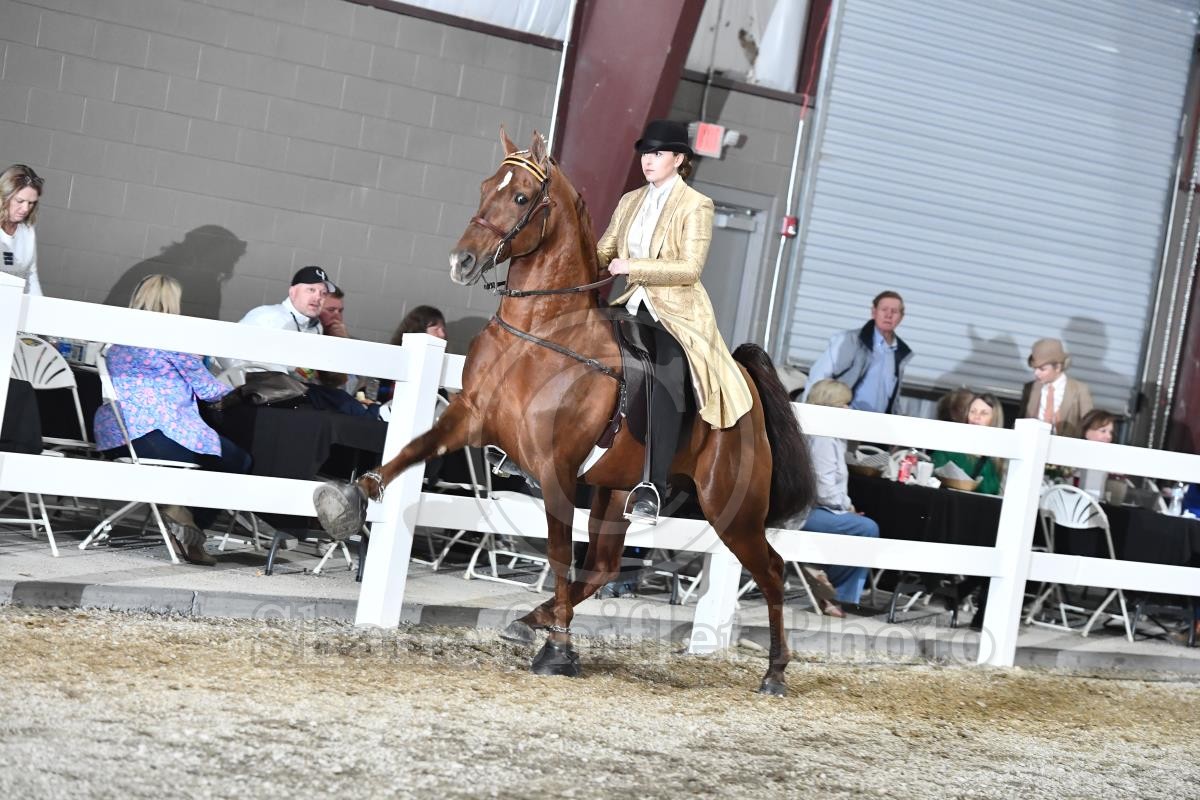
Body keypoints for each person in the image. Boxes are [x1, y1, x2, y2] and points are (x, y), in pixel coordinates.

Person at [596, 118, 752, 523]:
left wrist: (633, 265)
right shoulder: (630, 200)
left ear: (679, 159)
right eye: (646, 153)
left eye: (659, 153)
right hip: (631, 304)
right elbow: (604, 250)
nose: (649, 160)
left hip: (676, 312)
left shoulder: (695, 204)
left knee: (664, 373)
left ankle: (653, 483)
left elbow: (689, 268)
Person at [92, 275, 252, 566]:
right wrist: (247, 391)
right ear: (172, 303)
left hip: (115, 437)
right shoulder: (172, 340)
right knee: (236, 459)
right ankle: (191, 525)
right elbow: (209, 391)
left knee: (210, 454)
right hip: (158, 437)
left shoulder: (117, 340)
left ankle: (176, 505)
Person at [787, 379, 880, 617]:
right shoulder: (823, 439)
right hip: (805, 512)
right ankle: (836, 593)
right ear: (832, 405)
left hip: (815, 509)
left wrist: (846, 507)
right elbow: (824, 488)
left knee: (861, 527)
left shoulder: (831, 436)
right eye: (845, 404)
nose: (850, 410)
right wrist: (846, 508)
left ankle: (822, 576)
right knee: (867, 529)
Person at [802, 291, 913, 414]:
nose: (888, 315)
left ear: (901, 317)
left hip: (877, 425)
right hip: (844, 419)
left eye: (894, 311)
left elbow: (893, 399)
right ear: (874, 312)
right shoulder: (849, 340)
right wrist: (808, 413)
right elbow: (818, 376)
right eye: (884, 309)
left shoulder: (899, 353)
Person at [229, 265, 336, 378]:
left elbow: (304, 371)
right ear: (292, 292)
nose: (318, 297)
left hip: (290, 389)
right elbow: (228, 353)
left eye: (323, 293)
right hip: (257, 389)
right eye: (311, 290)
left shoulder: (316, 327)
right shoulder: (268, 317)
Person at [930, 392, 1005, 495]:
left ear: (994, 419)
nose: (976, 417)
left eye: (984, 413)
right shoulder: (950, 447)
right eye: (973, 411)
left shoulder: (998, 460)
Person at [1020, 337, 1093, 437]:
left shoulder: (1079, 390)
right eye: (1035, 368)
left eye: (1042, 369)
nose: (1036, 373)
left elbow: (1090, 427)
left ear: (1058, 367)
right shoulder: (1030, 388)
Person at [0, 164, 44, 295]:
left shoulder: (27, 231)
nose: (25, 209)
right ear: (3, 197)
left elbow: (31, 275)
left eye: (31, 203)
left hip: (16, 305)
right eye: (20, 201)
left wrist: (39, 307)